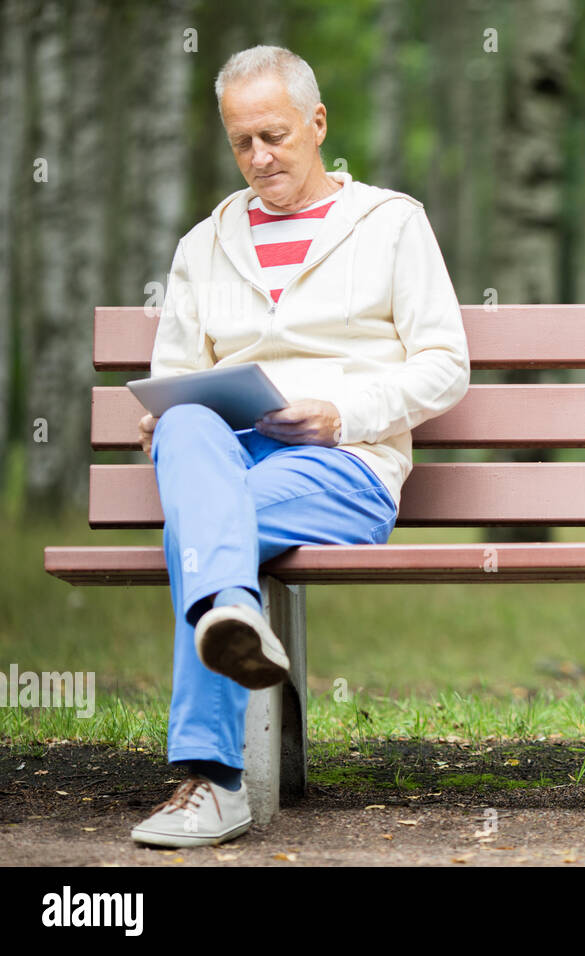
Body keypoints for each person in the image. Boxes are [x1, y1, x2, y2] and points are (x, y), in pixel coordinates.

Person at [129, 46, 470, 847]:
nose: (259, 158)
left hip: (342, 467)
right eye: (242, 142)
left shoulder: (390, 223)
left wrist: (339, 412)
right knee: (183, 424)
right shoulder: (203, 244)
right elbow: (174, 376)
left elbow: (446, 365)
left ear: (318, 124)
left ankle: (213, 781)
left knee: (206, 529)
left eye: (275, 136)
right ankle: (236, 612)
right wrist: (166, 416)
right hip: (227, 458)